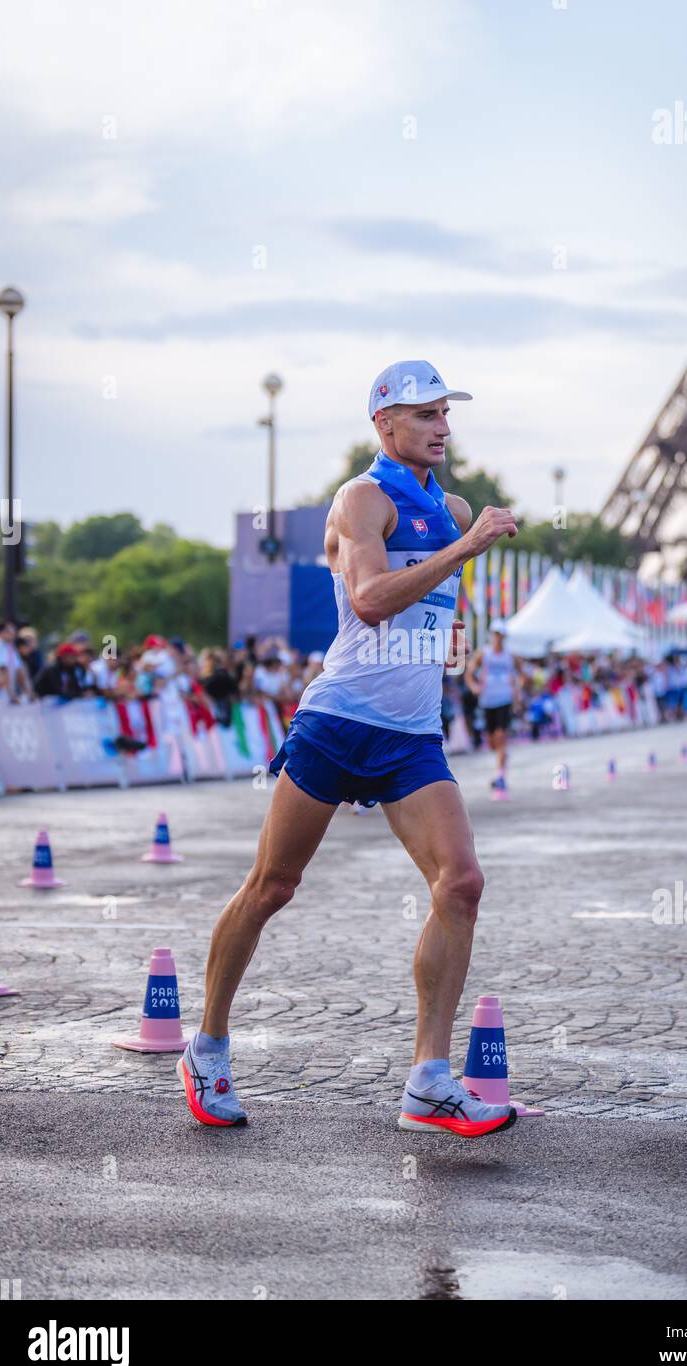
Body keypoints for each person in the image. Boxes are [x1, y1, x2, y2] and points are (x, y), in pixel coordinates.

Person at [178, 359, 520, 1138]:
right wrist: (466, 549)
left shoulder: (453, 505)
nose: (442, 425)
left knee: (461, 883)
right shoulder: (362, 497)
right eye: (425, 413)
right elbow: (366, 602)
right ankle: (207, 1045)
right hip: (338, 720)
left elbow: (427, 609)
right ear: (385, 424)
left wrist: (448, 625)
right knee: (272, 886)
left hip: (410, 737)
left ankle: (429, 1082)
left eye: (446, 412)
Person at [465, 619, 520, 798]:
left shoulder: (510, 656)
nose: (498, 638)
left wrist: (517, 691)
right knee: (491, 740)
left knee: (501, 736)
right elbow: (469, 672)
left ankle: (500, 774)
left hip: (504, 699)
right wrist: (474, 686)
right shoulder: (484, 653)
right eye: (496, 634)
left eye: (501, 635)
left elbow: (522, 675)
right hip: (488, 701)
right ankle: (501, 756)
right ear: (492, 635)